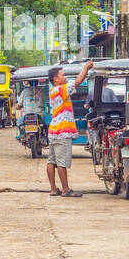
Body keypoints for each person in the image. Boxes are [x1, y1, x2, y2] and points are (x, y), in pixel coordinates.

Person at [46, 61, 92, 197]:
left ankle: (54, 189)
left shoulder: (53, 91)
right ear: (55, 79)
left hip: (54, 131)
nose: (65, 77)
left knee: (51, 161)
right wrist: (86, 68)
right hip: (62, 132)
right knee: (61, 162)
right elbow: (77, 82)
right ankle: (65, 189)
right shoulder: (60, 90)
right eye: (63, 75)